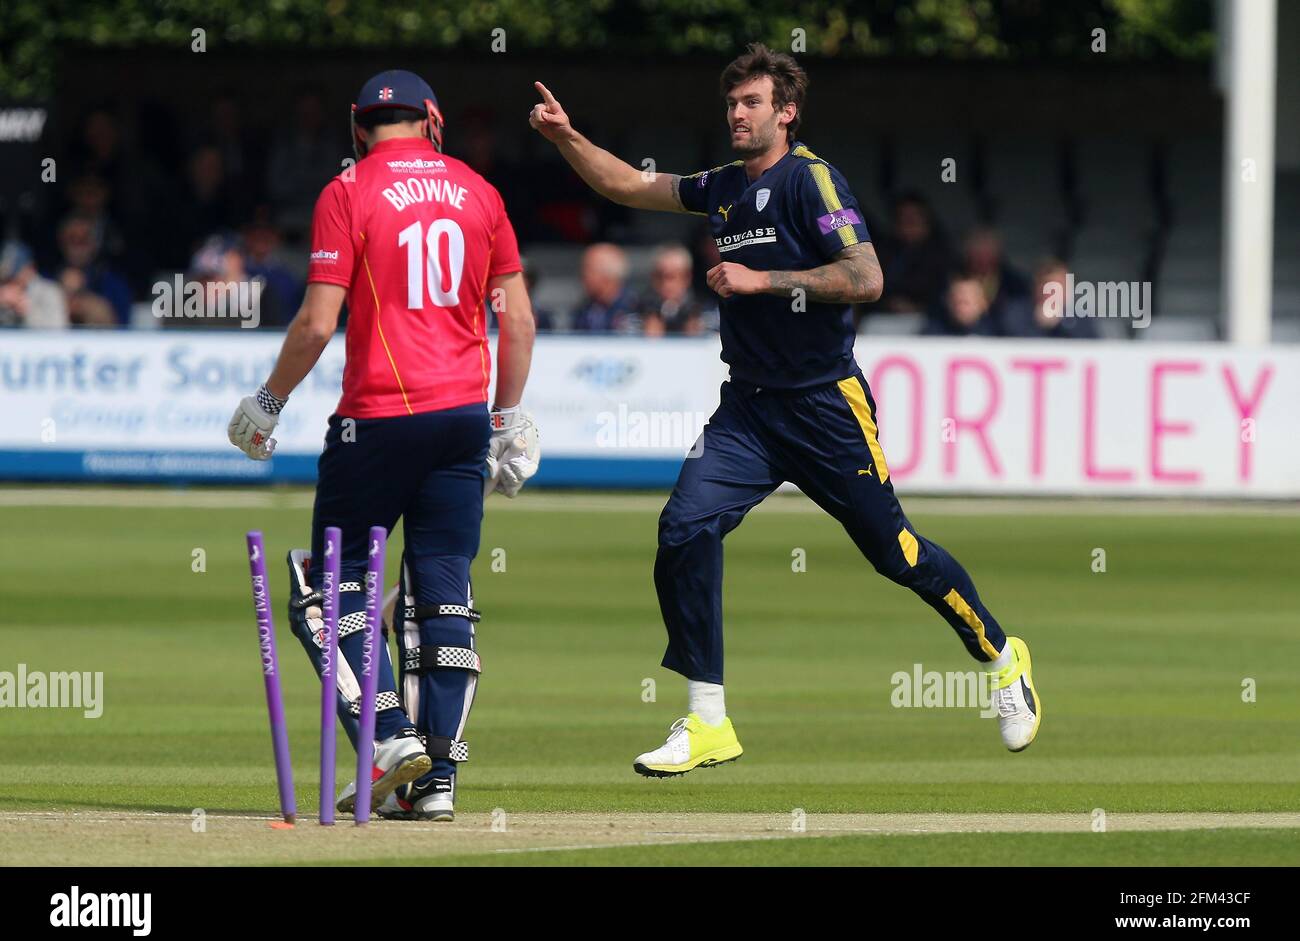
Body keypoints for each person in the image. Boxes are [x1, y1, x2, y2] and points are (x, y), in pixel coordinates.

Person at [530, 43, 1041, 777]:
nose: (736, 115)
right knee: (683, 528)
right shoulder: (725, 185)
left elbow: (866, 277)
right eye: (731, 104)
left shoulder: (813, 181)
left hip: (825, 406)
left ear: (786, 111)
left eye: (751, 104)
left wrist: (762, 280)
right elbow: (632, 187)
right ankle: (708, 720)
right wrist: (565, 138)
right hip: (749, 409)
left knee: (895, 554)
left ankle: (1000, 655)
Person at [228, 69, 539, 822]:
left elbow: (315, 322)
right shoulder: (479, 191)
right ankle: (437, 784)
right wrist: (508, 419)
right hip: (463, 420)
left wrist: (267, 403)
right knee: (444, 596)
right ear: (431, 119)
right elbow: (519, 322)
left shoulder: (348, 190)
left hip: (376, 420)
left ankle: (391, 738)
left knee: (328, 591)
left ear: (356, 125)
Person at [640, 243, 709, 336]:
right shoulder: (638, 310)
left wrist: (700, 335)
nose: (666, 284)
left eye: (671, 276)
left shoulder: (705, 312)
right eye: (659, 276)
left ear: (687, 277)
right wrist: (641, 335)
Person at [571, 242, 638, 332]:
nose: (582, 276)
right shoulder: (584, 310)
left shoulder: (634, 308)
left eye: (588, 269)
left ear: (607, 276)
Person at [0, 240, 68, 329]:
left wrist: (26, 310)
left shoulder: (49, 291)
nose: (11, 281)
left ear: (30, 268)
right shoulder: (3, 290)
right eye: (7, 277)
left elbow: (59, 329)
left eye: (15, 275)